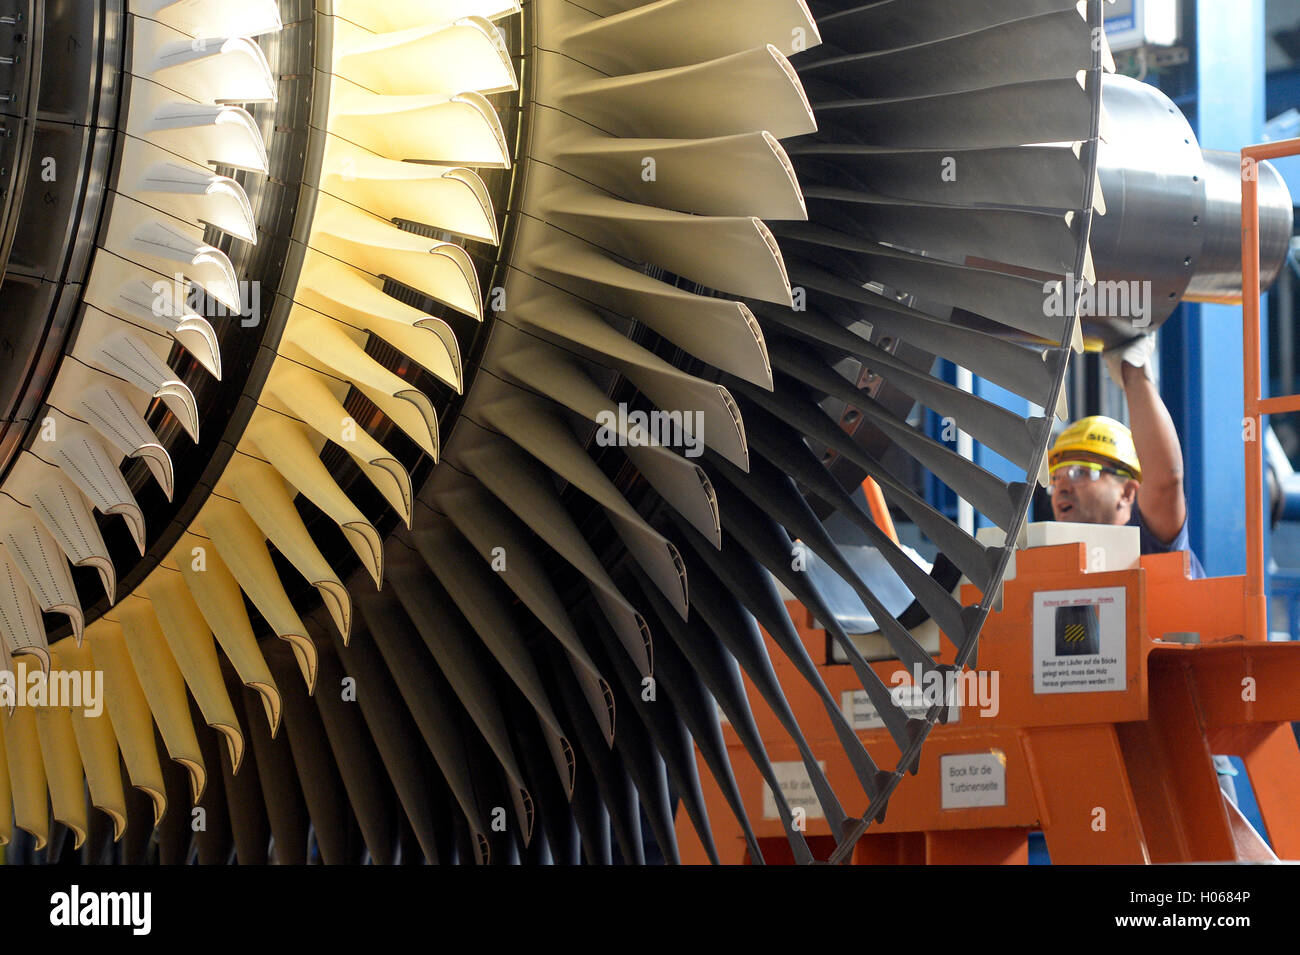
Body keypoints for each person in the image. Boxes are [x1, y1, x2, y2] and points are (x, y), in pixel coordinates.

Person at [1047, 333, 1207, 579]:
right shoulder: (1052, 569)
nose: (1062, 488)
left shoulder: (1148, 548)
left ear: (1128, 492)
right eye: (1055, 478)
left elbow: (1165, 483)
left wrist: (1133, 371)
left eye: (1080, 472)